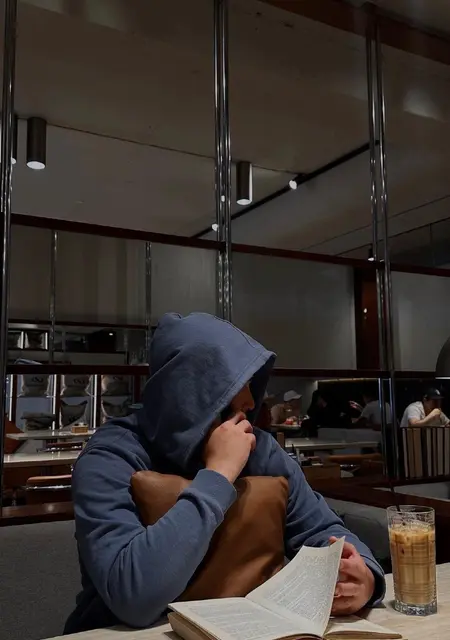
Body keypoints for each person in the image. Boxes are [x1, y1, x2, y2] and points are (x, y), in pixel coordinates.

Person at [65, 313, 385, 634]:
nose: (250, 400)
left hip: (246, 628)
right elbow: (132, 597)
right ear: (188, 391)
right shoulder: (110, 457)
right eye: (233, 385)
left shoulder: (260, 450)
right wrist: (219, 473)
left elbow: (323, 530)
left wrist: (365, 577)